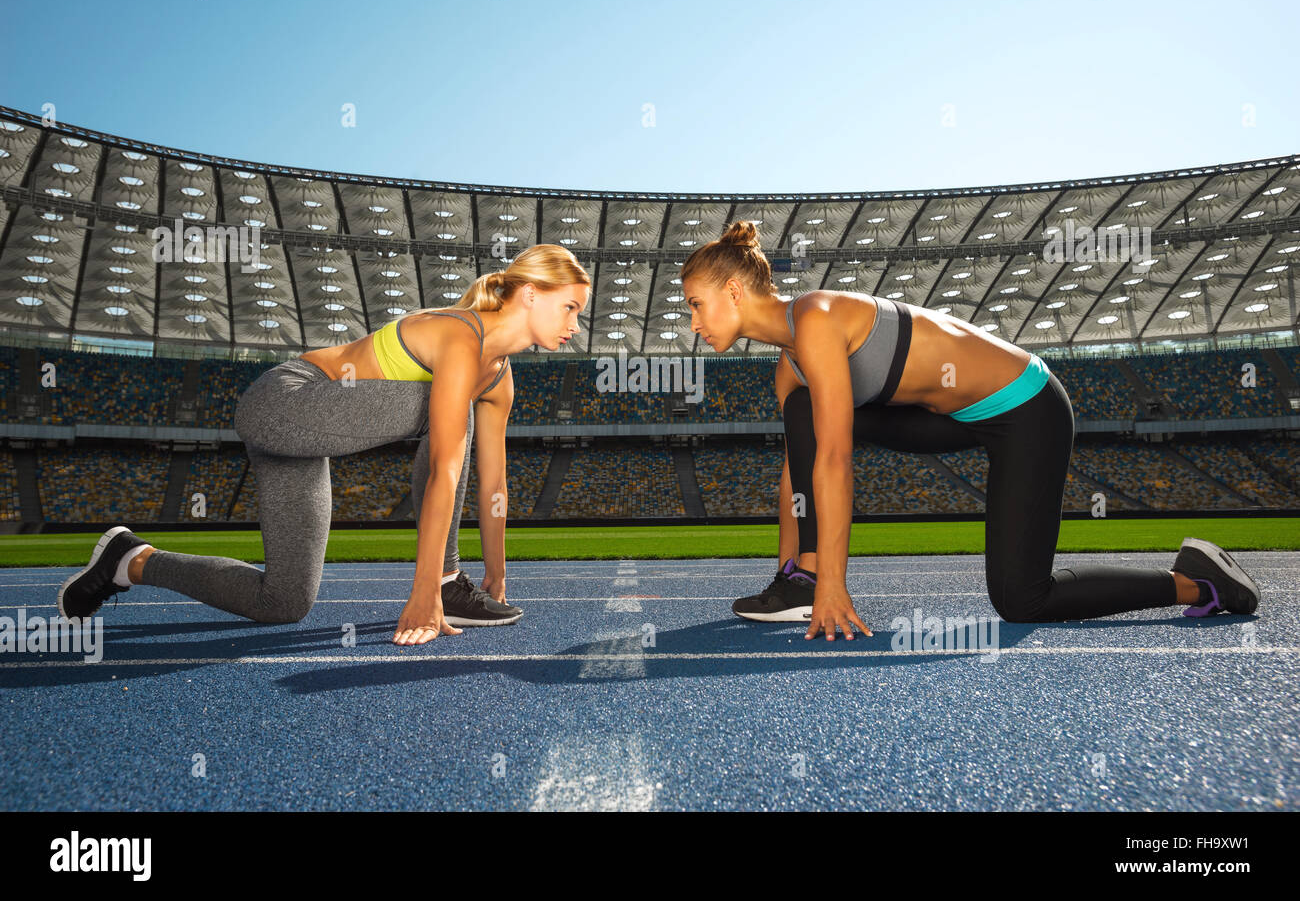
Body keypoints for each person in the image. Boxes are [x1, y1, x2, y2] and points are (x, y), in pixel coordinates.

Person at [683, 220, 1261, 641]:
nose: (693, 324)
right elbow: (798, 473)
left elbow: (834, 460)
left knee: (1022, 600)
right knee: (801, 411)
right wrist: (793, 575)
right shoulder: (790, 365)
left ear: (733, 291)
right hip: (947, 420)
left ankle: (1193, 580)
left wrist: (835, 583)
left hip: (1026, 408)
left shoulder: (817, 318)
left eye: (696, 306)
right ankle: (799, 580)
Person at [58, 244, 592, 646]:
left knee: (283, 602)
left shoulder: (500, 378)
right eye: (569, 307)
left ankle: (130, 560)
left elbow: (494, 485)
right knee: (447, 415)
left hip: (306, 438)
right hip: (286, 400)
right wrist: (427, 589)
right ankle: (447, 579)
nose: (575, 324)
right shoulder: (460, 337)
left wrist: (497, 575)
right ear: (528, 294)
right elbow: (445, 472)